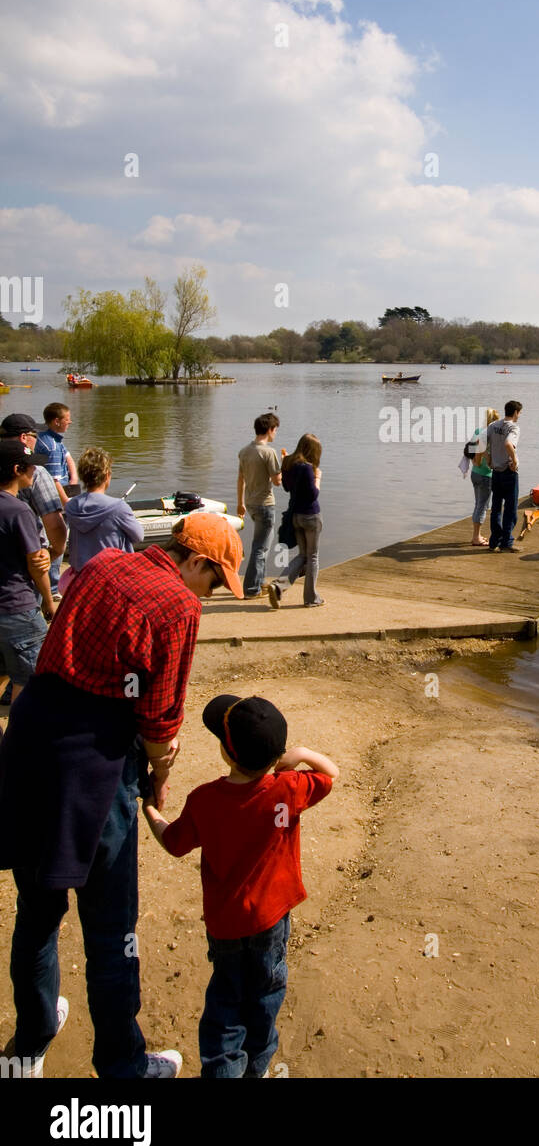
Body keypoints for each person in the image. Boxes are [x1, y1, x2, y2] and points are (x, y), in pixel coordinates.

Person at [0, 513, 244, 1079]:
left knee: (37, 910)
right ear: (197, 562)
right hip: (94, 765)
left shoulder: (104, 561)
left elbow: (56, 626)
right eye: (214, 581)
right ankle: (123, 1067)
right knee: (113, 932)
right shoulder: (179, 606)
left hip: (31, 738)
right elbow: (159, 720)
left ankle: (30, 1041)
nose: (210, 596)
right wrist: (161, 772)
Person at [142, 694, 338, 1078]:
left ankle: (224, 1070)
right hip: (272, 920)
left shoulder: (205, 800)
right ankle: (258, 1068)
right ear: (275, 756)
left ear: (227, 754)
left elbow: (174, 843)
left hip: (226, 924)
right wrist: (298, 754)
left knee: (226, 1006)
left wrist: (149, 809)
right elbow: (330, 774)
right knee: (265, 994)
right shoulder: (289, 787)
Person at [0, 439, 54, 707]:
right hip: (17, 608)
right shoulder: (18, 510)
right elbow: (36, 564)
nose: (35, 471)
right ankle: (17, 746)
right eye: (30, 467)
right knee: (31, 682)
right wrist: (49, 600)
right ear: (16, 469)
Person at [62, 446, 144, 588]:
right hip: (112, 578)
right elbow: (139, 536)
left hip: (81, 578)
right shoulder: (119, 508)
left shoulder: (71, 506)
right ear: (107, 476)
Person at [0, 412, 68, 574]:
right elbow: (54, 524)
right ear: (24, 437)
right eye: (35, 435)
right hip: (30, 562)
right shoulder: (35, 472)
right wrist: (55, 552)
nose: (37, 439)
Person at [271, 434, 324, 607]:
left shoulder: (289, 464)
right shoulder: (307, 468)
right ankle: (311, 598)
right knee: (313, 557)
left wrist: (284, 463)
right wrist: (318, 478)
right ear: (313, 451)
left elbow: (286, 487)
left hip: (295, 517)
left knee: (302, 555)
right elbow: (313, 495)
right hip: (311, 517)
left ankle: (278, 586)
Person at [237, 413, 282, 600]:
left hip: (250, 503)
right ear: (270, 430)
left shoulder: (244, 451)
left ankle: (260, 581)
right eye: (275, 430)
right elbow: (277, 481)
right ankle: (251, 589)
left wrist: (240, 503)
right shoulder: (268, 452)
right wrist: (284, 463)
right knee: (260, 548)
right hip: (265, 504)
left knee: (261, 546)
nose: (275, 434)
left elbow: (241, 479)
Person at [35, 403, 77, 595]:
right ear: (56, 421)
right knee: (58, 539)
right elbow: (53, 480)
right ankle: (53, 588)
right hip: (55, 502)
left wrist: (74, 479)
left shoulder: (51, 439)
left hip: (63, 493)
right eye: (67, 418)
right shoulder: (50, 446)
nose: (70, 421)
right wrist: (67, 502)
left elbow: (67, 457)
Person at [487, 401, 522, 552]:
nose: (519, 416)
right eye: (519, 413)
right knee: (510, 508)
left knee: (496, 508)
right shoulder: (513, 427)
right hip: (508, 472)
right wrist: (514, 460)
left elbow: (482, 442)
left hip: (496, 472)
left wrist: (489, 458)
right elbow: (508, 444)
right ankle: (506, 543)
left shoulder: (493, 425)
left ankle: (494, 541)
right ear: (515, 413)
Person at [468, 407, 498, 547]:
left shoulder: (478, 431)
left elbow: (470, 450)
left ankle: (477, 535)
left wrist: (475, 462)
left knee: (478, 504)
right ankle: (476, 538)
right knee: (483, 506)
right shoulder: (492, 435)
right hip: (486, 475)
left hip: (475, 473)